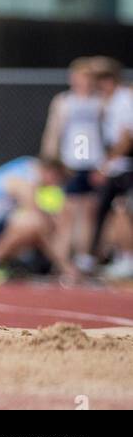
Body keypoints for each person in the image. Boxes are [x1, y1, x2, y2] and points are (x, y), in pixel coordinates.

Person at [40, 57, 106, 273]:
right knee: (66, 215)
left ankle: (83, 259)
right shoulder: (64, 101)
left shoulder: (100, 101)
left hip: (93, 163)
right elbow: (54, 131)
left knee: (89, 214)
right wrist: (49, 160)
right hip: (70, 162)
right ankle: (62, 263)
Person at [0, 155, 74, 281]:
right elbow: (37, 216)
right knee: (34, 223)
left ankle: (14, 261)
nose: (55, 186)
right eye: (58, 180)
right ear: (50, 172)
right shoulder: (24, 176)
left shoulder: (25, 169)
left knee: (39, 224)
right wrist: (62, 262)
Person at [88, 57, 133, 277]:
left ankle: (127, 256)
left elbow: (125, 137)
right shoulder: (108, 102)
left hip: (123, 166)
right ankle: (113, 255)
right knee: (110, 211)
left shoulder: (123, 100)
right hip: (116, 165)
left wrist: (106, 165)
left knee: (120, 207)